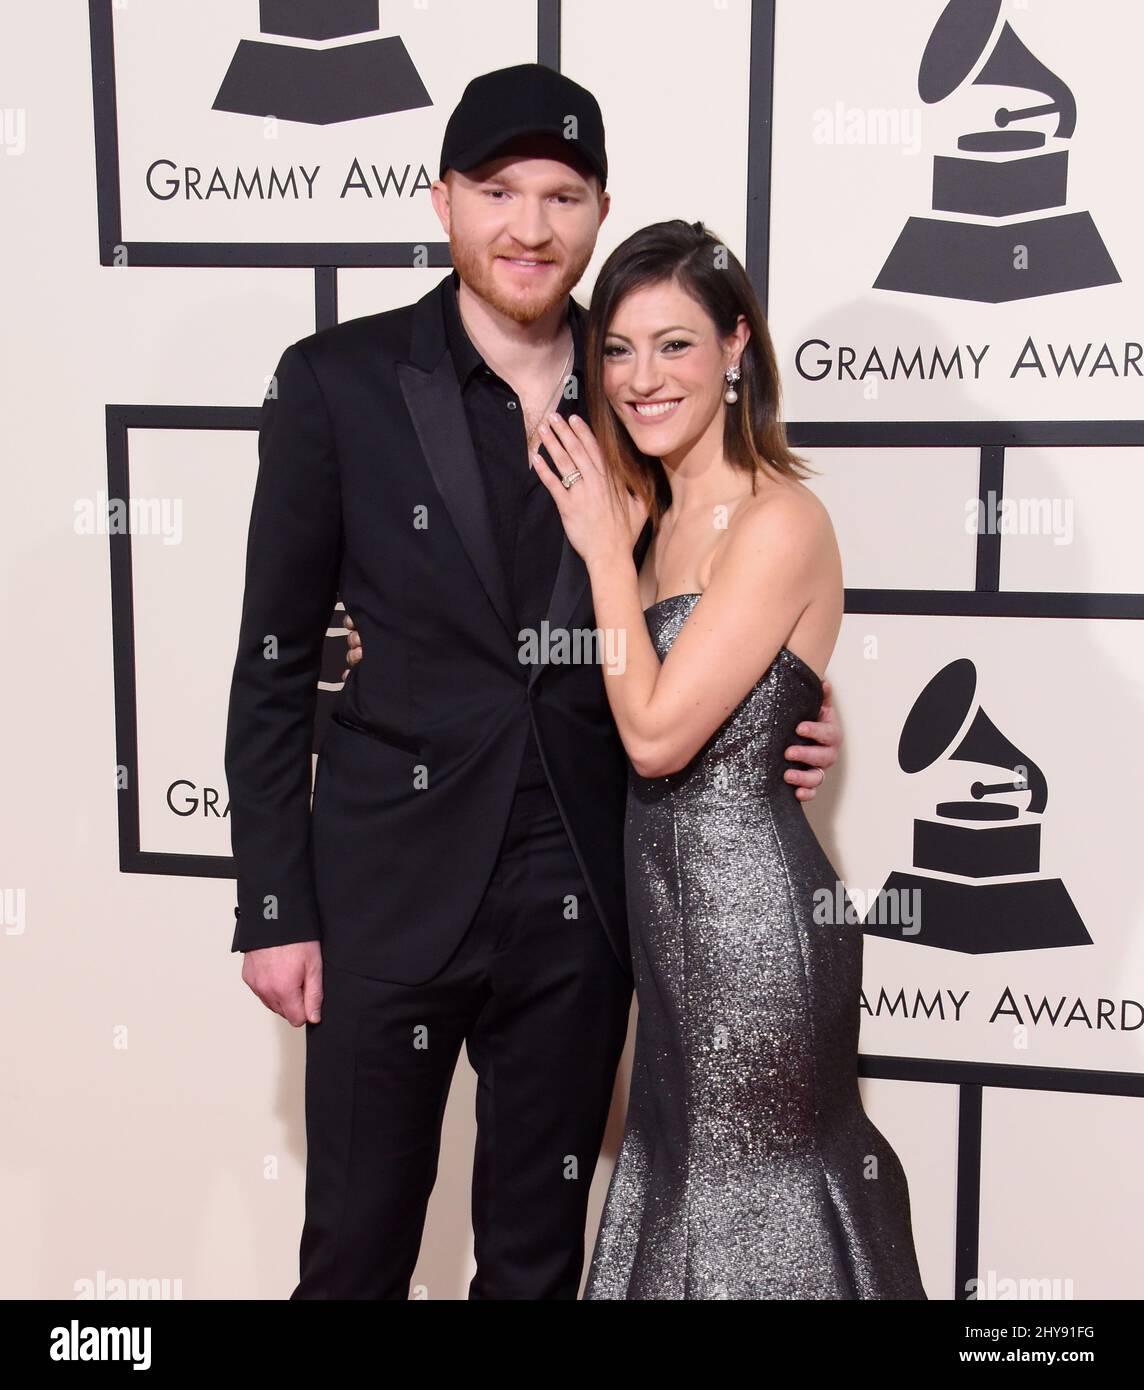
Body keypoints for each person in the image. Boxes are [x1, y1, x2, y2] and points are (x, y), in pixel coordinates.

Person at [225, 63, 841, 1301]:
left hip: (583, 889)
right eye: (498, 191)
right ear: (443, 198)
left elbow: (713, 600)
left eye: (561, 196)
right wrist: (273, 901)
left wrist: (794, 711)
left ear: (599, 211)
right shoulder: (335, 382)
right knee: (353, 1252)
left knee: (533, 1263)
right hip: (382, 893)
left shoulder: (639, 393)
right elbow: (275, 659)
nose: (528, 227)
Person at [524, 219, 928, 1299]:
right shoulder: (649, 518)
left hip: (755, 933)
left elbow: (656, 735)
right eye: (616, 349)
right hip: (663, 926)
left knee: (758, 1201)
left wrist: (605, 555)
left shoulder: (778, 519)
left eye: (675, 345)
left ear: (737, 346)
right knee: (684, 1188)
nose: (641, 378)